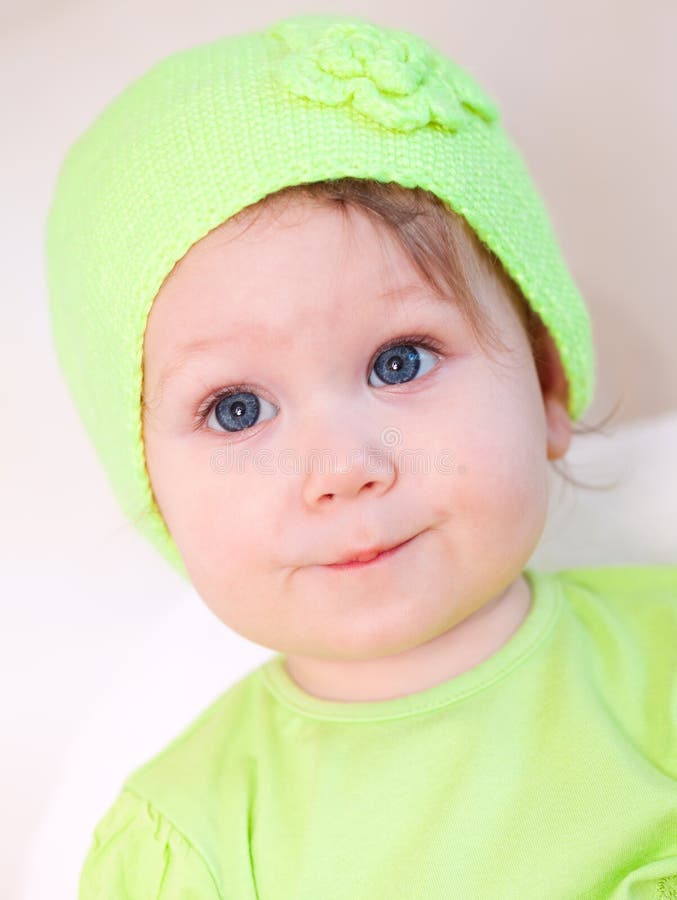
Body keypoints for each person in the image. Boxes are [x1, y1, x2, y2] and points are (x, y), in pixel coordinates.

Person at [44, 12, 677, 898]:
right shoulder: (182, 847)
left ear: (544, 385)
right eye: (236, 410)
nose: (342, 469)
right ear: (155, 494)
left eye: (399, 362)